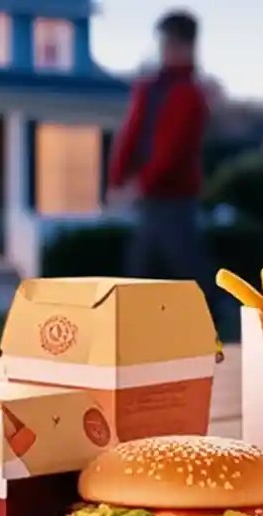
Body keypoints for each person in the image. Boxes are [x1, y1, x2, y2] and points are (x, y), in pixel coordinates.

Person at [108, 10, 221, 319]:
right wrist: (118, 178)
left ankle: (215, 331)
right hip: (151, 198)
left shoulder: (190, 94)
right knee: (143, 270)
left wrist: (138, 183)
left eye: (173, 42)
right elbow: (131, 134)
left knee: (184, 269)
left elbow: (173, 150)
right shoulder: (150, 89)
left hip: (174, 198)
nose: (166, 48)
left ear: (187, 46)